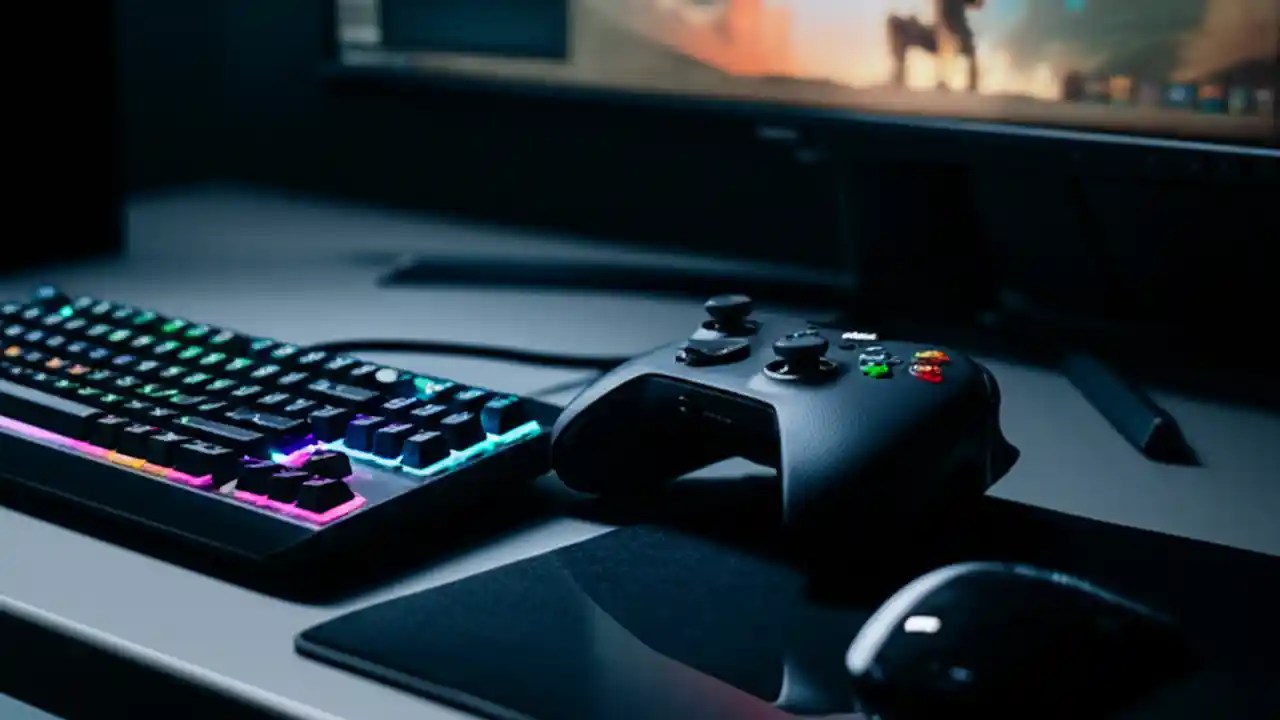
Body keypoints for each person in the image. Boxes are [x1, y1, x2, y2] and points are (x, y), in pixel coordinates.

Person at [888, 0, 984, 91]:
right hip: (939, 36)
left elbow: (977, 4)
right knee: (896, 23)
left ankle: (963, 83)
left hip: (954, 38)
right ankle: (899, 76)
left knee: (954, 41)